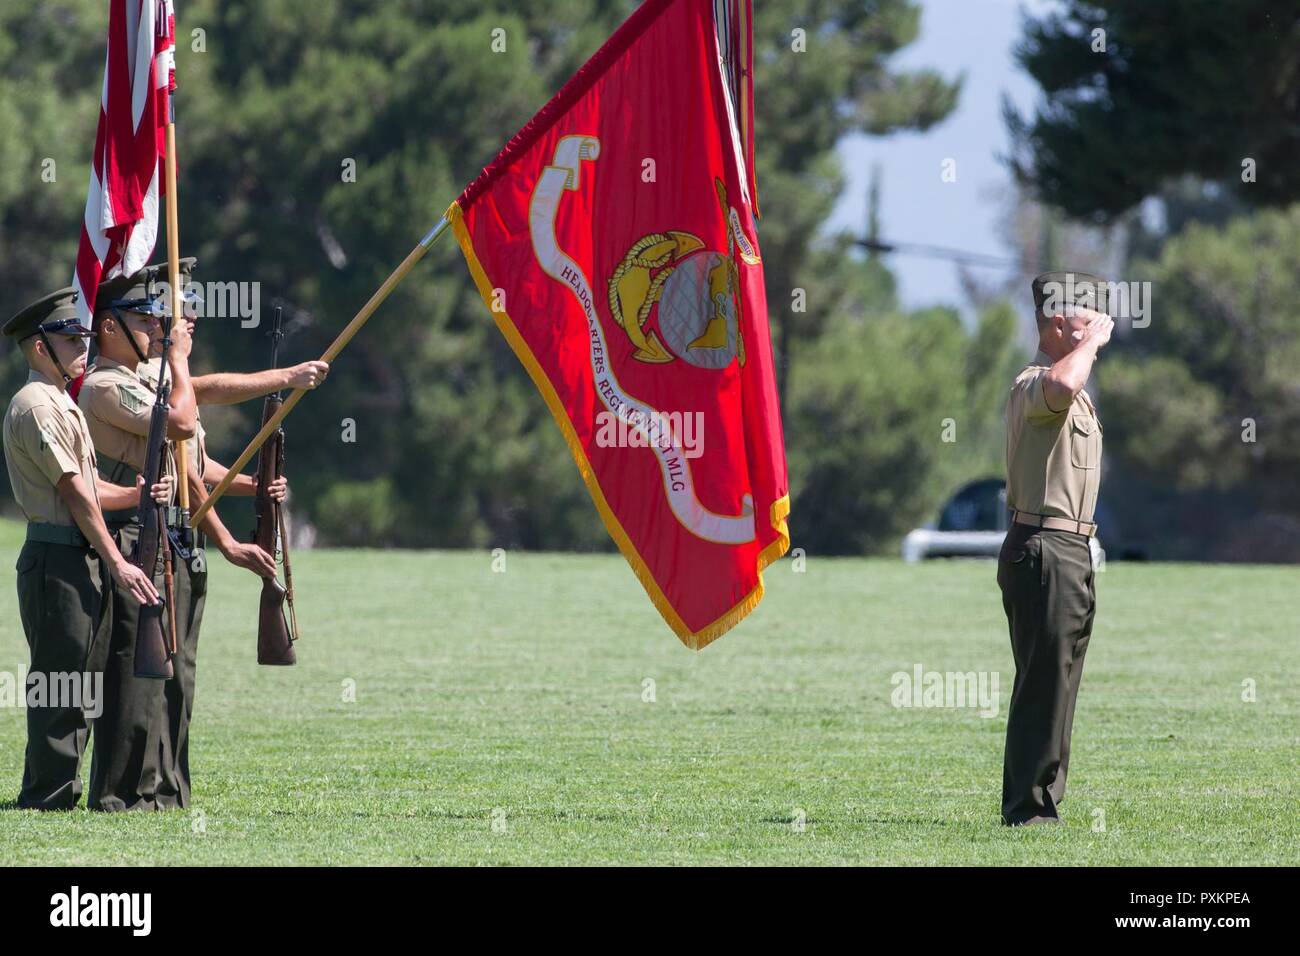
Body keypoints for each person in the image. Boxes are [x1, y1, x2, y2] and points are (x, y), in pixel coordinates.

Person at [79, 260, 278, 810]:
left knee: (175, 675)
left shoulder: (143, 380)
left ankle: (165, 788)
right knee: (135, 671)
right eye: (145, 320)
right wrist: (180, 360)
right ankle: (123, 794)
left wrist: (252, 486)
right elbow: (184, 423)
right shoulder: (104, 387)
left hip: (165, 537)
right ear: (110, 327)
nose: (158, 328)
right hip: (133, 538)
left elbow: (191, 453)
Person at [2, 287, 164, 810]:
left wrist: (138, 494)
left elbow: (92, 486)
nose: (83, 348)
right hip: (58, 556)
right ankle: (46, 795)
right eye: (69, 340)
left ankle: (60, 788)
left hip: (78, 555)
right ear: (38, 348)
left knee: (82, 678)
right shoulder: (35, 405)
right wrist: (116, 560)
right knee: (59, 679)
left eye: (84, 338)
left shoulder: (61, 403)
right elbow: (74, 494)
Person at [997, 270, 1113, 826]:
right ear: (1059, 319)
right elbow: (1062, 388)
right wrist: (1091, 344)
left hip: (1070, 550)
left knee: (1060, 682)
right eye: (1088, 314)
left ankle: (1044, 801)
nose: (1100, 323)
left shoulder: (1074, 391)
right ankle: (1028, 809)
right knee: (1043, 682)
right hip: (1043, 545)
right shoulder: (1035, 384)